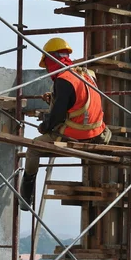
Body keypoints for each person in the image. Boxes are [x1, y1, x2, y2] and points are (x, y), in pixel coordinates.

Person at [19, 37, 111, 211]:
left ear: (50, 60)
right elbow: (77, 102)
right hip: (97, 133)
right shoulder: (86, 75)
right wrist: (53, 99)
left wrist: (45, 126)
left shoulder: (64, 80)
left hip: (76, 134)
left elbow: (58, 116)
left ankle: (25, 199)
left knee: (32, 149)